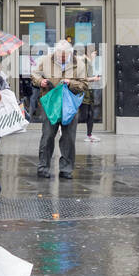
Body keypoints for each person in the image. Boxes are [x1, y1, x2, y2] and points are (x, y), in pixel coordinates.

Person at [32, 39, 89, 179]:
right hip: (50, 104)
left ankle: (66, 169)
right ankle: (43, 167)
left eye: (64, 56)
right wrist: (41, 81)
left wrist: (71, 83)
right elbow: (34, 75)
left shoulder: (79, 64)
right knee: (47, 136)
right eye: (59, 55)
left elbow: (84, 84)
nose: (62, 58)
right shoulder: (46, 60)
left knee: (69, 137)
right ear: (55, 52)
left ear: (70, 53)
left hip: (69, 105)